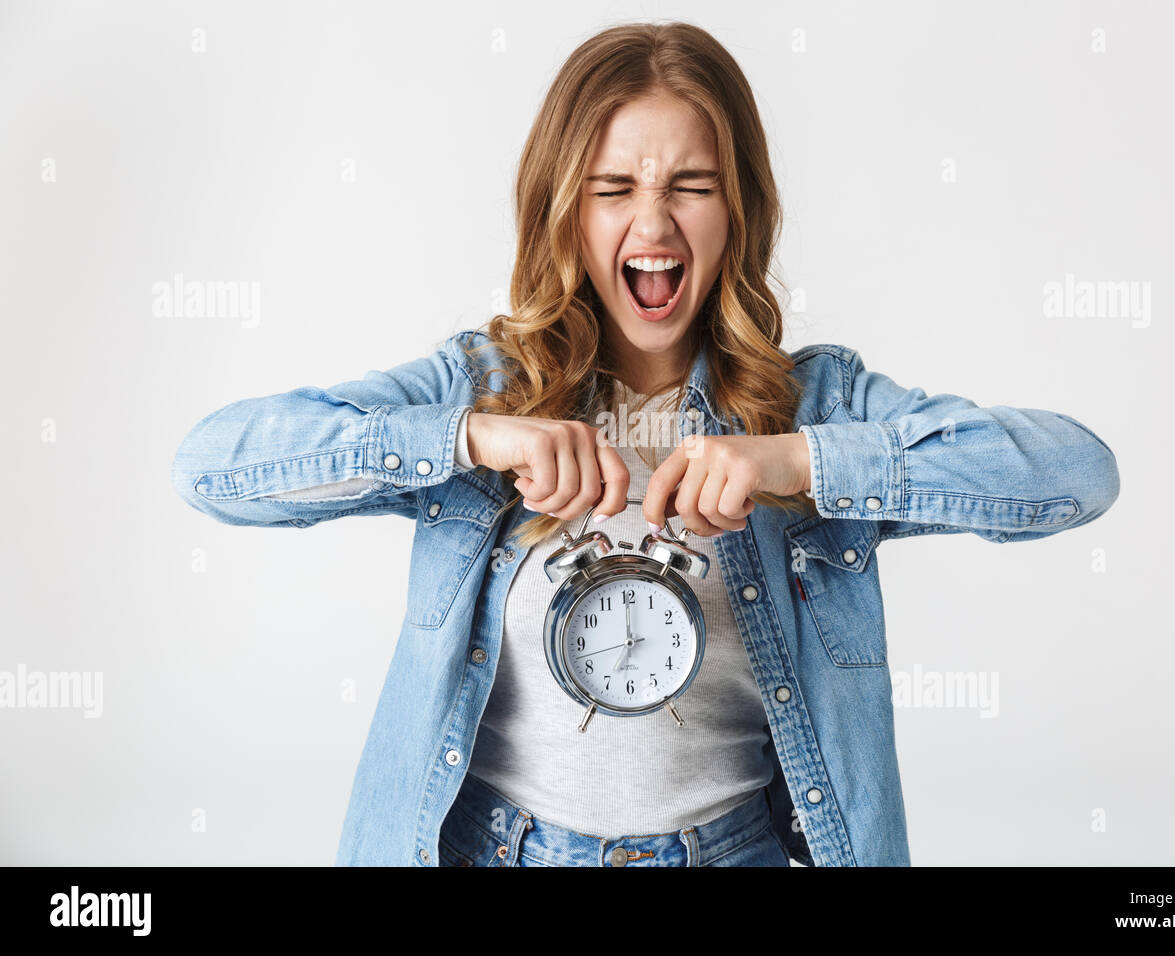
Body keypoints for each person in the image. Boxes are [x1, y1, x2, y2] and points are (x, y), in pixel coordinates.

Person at [170, 21, 1120, 867]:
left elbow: (1077, 475)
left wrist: (799, 462)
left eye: (692, 187)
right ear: (566, 210)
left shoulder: (816, 400)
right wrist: (469, 437)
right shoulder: (482, 384)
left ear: (736, 209)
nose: (653, 223)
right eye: (613, 187)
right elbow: (215, 466)